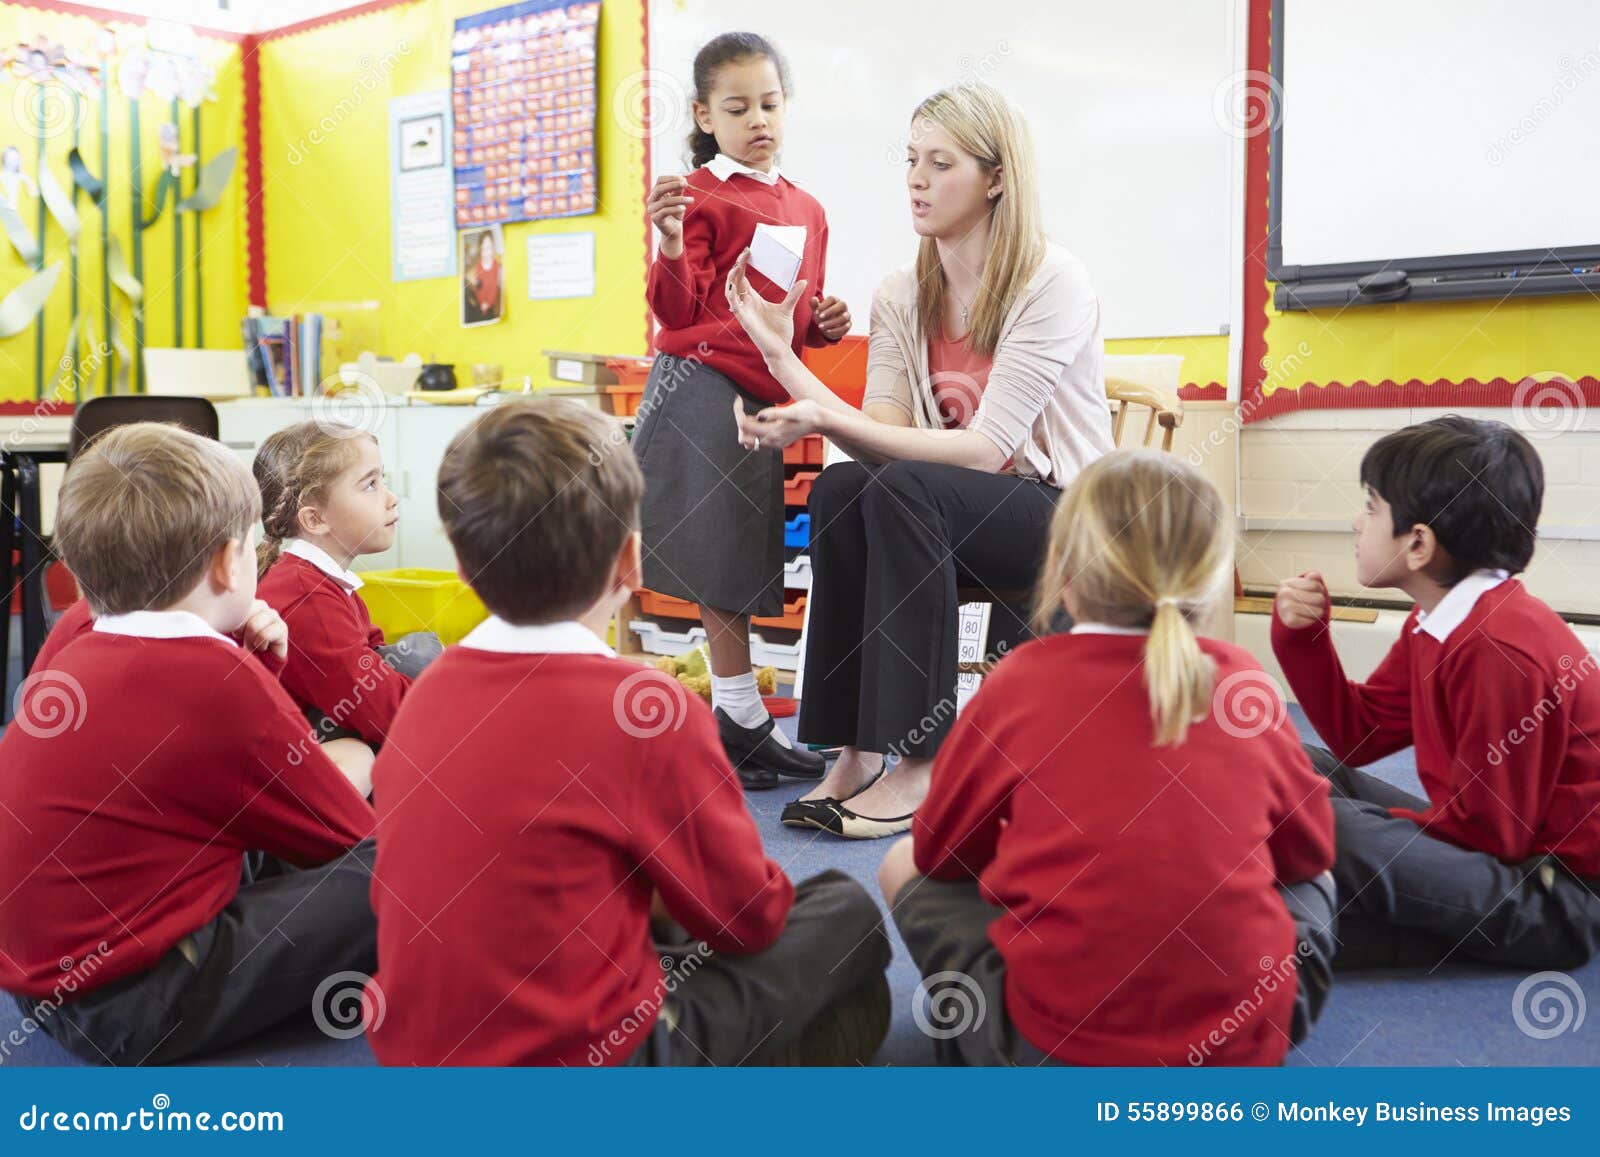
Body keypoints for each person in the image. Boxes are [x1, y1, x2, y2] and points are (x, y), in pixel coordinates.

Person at [366, 398, 891, 1066]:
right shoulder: (649, 711)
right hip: (597, 1062)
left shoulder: (421, 697)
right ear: (631, 563)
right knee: (843, 910)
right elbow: (747, 918)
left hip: (413, 1062)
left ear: (466, 571)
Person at [724, 83, 1114, 836]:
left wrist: (814, 408)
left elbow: (986, 447)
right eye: (910, 160)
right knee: (843, 488)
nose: (916, 179)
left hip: (1066, 511)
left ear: (997, 177)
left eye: (941, 163)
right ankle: (855, 750)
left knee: (898, 491)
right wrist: (779, 354)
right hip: (960, 508)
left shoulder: (1051, 279)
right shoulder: (901, 295)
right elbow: (879, 432)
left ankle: (922, 763)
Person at [880, 450, 1337, 1065]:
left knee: (900, 861)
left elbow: (940, 852)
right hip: (1245, 1045)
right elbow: (1310, 852)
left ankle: (975, 1040)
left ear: (1063, 571)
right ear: (1207, 577)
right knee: (1316, 882)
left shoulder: (1018, 679)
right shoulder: (1242, 680)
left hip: (1045, 1052)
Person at [0, 424, 377, 1066]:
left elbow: (201, 763)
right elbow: (347, 838)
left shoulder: (73, 637)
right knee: (399, 872)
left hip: (43, 989)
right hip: (135, 1008)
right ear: (230, 563)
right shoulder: (213, 677)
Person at [1273, 415, 1600, 969]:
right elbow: (1361, 736)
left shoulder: (1499, 650)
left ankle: (1272, 918)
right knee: (1291, 761)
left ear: (1419, 543)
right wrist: (1304, 642)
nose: (1357, 522)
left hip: (1555, 896)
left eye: (1372, 508)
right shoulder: (1442, 619)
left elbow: (1493, 836)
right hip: (1492, 838)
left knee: (1326, 821)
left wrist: (1362, 831)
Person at [637, 32, 849, 788]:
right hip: (696, 386)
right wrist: (668, 241)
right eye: (737, 107)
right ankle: (739, 717)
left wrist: (824, 324)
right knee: (723, 557)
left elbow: (792, 328)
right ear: (703, 114)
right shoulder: (696, 195)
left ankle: (741, 720)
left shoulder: (808, 208)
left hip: (763, 392)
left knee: (750, 556)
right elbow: (673, 309)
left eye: (769, 102)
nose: (757, 118)